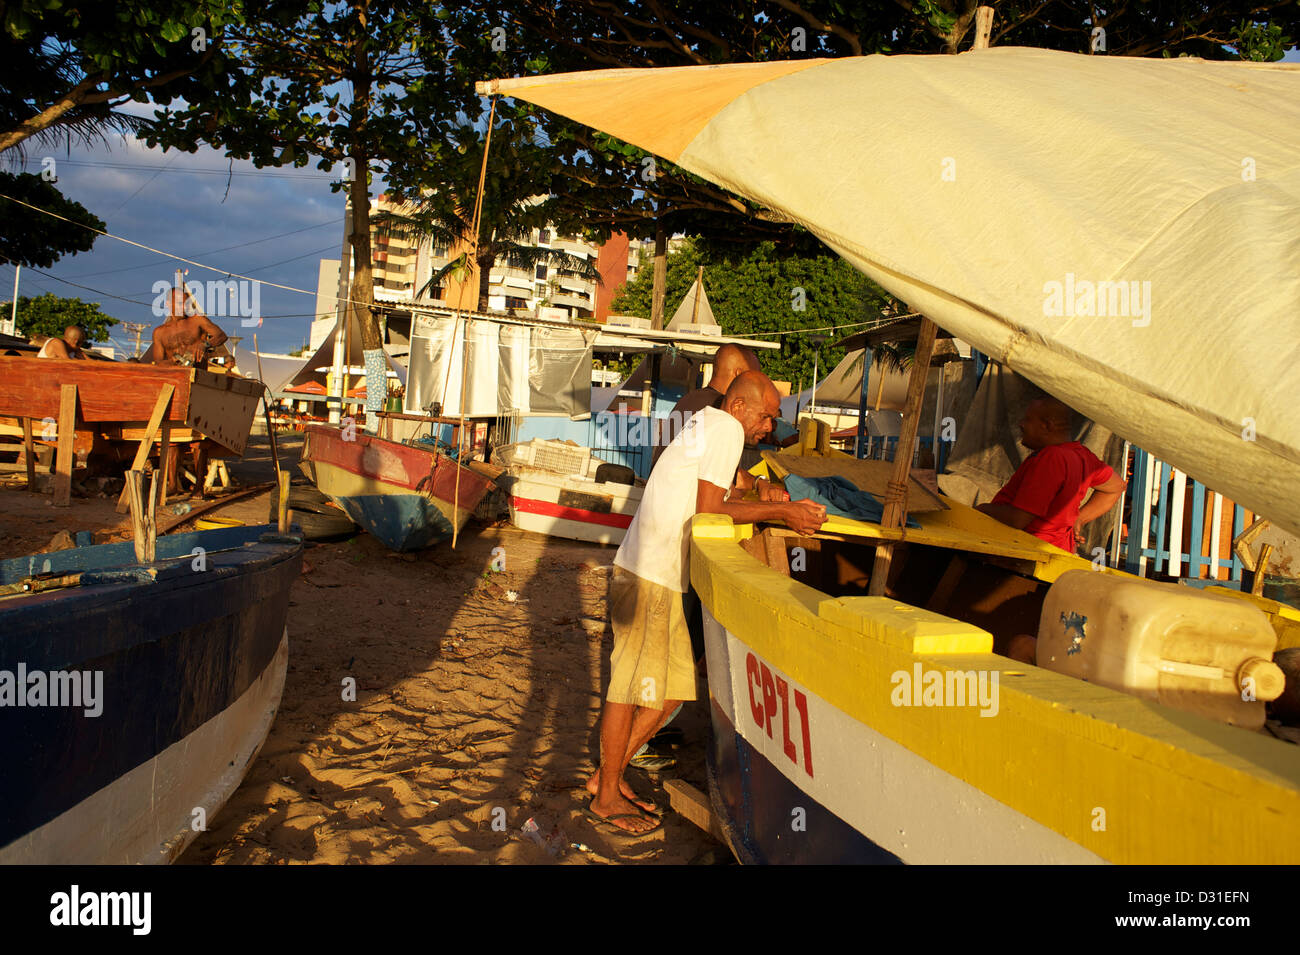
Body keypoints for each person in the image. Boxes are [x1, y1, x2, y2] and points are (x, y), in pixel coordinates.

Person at [586, 371, 827, 834]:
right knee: (630, 689)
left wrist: (759, 492)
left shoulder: (709, 424)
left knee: (671, 691)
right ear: (740, 407)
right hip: (650, 573)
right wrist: (784, 511)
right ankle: (608, 794)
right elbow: (710, 509)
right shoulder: (725, 429)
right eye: (767, 416)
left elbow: (718, 492)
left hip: (658, 574)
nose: (769, 427)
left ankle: (607, 776)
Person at [976, 396, 1127, 553]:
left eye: (1027, 420)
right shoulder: (1081, 455)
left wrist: (983, 509)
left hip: (1026, 552)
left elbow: (1018, 519)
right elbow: (1116, 486)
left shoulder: (1051, 458)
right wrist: (1078, 519)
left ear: (1047, 426)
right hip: (1059, 551)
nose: (1021, 424)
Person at [650, 343, 760, 469]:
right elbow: (714, 479)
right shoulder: (721, 410)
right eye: (753, 377)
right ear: (738, 374)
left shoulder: (692, 399)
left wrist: (755, 482)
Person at [146, 288, 227, 367]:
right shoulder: (159, 332)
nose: (184, 307)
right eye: (180, 303)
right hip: (174, 377)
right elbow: (158, 363)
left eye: (186, 304)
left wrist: (205, 345)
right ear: (168, 304)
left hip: (197, 376)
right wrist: (173, 361)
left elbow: (221, 335)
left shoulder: (197, 320)